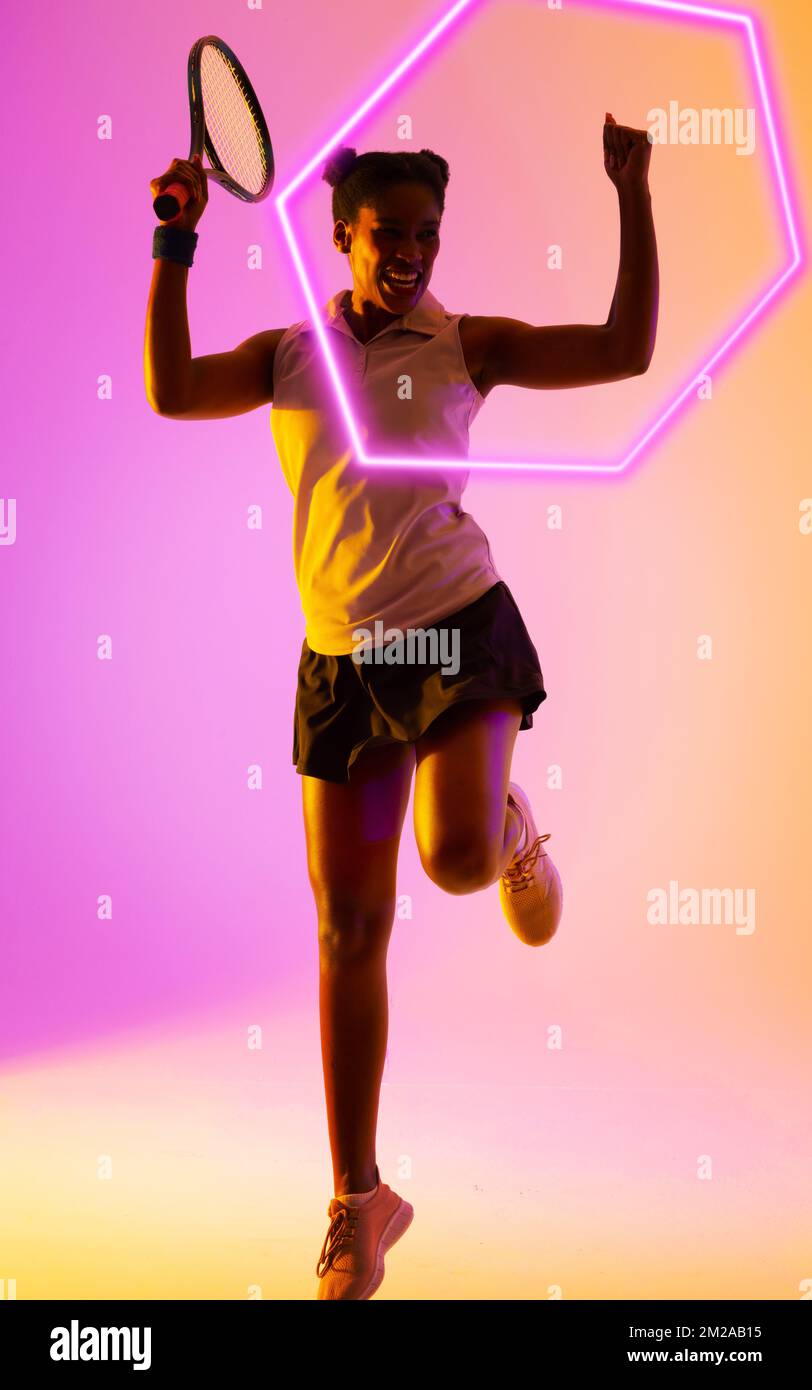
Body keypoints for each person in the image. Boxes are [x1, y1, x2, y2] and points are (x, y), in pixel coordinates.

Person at [144, 112, 658, 1300]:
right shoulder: (288, 353)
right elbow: (168, 390)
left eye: (426, 232)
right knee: (345, 935)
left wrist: (629, 192)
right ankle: (358, 1199)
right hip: (341, 664)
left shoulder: (468, 340)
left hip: (456, 633)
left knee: (460, 856)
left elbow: (625, 346)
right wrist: (173, 245)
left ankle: (511, 827)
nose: (410, 252)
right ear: (340, 235)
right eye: (386, 234)